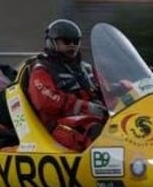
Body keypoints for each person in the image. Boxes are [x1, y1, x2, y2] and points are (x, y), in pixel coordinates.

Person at [27, 19, 108, 151]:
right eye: (66, 41)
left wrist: (126, 90)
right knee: (98, 133)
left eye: (75, 41)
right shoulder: (42, 70)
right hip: (61, 125)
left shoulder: (85, 68)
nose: (72, 45)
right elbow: (46, 101)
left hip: (93, 118)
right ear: (52, 42)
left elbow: (106, 90)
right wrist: (86, 107)